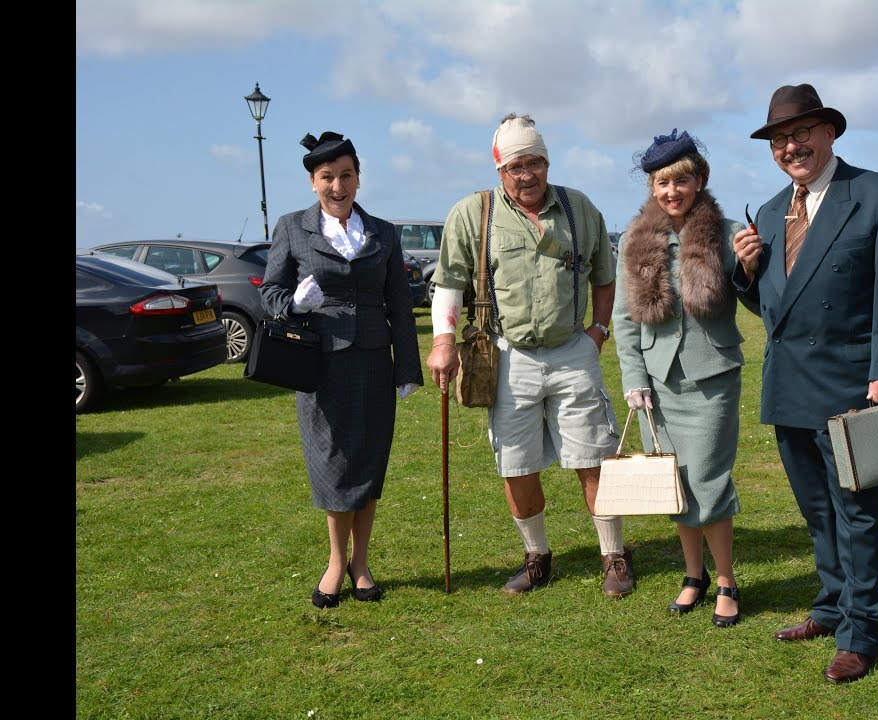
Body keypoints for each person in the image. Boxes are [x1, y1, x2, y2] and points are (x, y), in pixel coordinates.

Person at [731, 84, 878, 683]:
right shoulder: (765, 212)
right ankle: (831, 605)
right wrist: (748, 272)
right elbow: (780, 309)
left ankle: (860, 632)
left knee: (857, 514)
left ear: (829, 133)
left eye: (802, 133)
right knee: (817, 512)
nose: (792, 146)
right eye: (781, 138)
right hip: (789, 386)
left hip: (853, 387)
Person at [425, 114, 634, 599]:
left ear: (547, 162)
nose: (528, 175)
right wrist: (441, 341)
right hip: (507, 355)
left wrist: (597, 332)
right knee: (515, 463)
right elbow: (449, 282)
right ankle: (537, 557)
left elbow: (606, 276)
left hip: (573, 353)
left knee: (594, 457)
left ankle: (614, 556)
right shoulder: (472, 213)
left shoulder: (580, 208)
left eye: (535, 162)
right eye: (517, 165)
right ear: (500, 170)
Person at [260, 131, 424, 609]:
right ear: (313, 182)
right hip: (320, 364)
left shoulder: (383, 233)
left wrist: (406, 368)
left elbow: (399, 302)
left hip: (374, 360)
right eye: (327, 177)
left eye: (346, 175)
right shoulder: (292, 228)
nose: (338, 186)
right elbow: (269, 293)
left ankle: (362, 563)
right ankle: (335, 562)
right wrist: (293, 302)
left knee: (370, 463)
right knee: (332, 463)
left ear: (358, 177)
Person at [612, 129, 750, 628]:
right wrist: (634, 379)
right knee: (676, 484)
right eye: (662, 183)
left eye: (682, 181)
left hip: (711, 376)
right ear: (652, 186)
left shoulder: (729, 232)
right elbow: (626, 320)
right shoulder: (634, 238)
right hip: (658, 384)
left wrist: (751, 268)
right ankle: (693, 576)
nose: (672, 192)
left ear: (699, 180)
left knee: (708, 482)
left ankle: (727, 580)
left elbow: (756, 298)